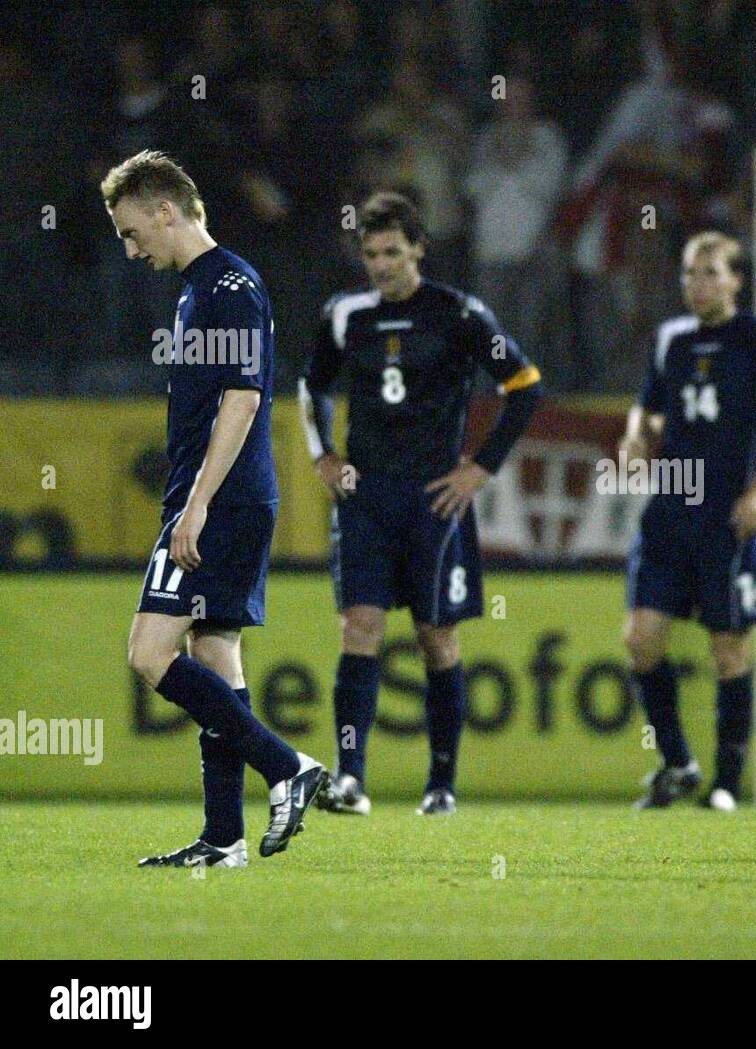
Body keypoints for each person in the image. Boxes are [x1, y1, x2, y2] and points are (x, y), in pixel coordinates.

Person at [103, 149, 326, 868]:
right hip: (226, 496)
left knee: (149, 651)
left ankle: (286, 765)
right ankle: (223, 834)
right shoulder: (202, 288)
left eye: (134, 233)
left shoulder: (228, 285)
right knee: (215, 653)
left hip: (221, 501)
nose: (133, 251)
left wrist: (195, 505)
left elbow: (243, 398)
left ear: (166, 210)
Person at [299, 191, 541, 816]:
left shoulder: (459, 314)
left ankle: (442, 784)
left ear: (418, 250)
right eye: (371, 253)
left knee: (437, 638)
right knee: (360, 628)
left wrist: (481, 467)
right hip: (366, 498)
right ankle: (351, 780)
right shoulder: (345, 314)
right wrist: (323, 454)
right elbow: (311, 387)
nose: (380, 266)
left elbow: (523, 385)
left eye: (392, 253)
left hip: (436, 500)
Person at [622, 231, 756, 810]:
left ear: (735, 280)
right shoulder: (670, 340)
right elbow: (647, 411)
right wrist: (634, 437)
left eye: (708, 273)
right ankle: (678, 762)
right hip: (670, 516)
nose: (696, 285)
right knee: (642, 640)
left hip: (729, 519)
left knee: (728, 647)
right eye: (688, 274)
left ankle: (727, 783)